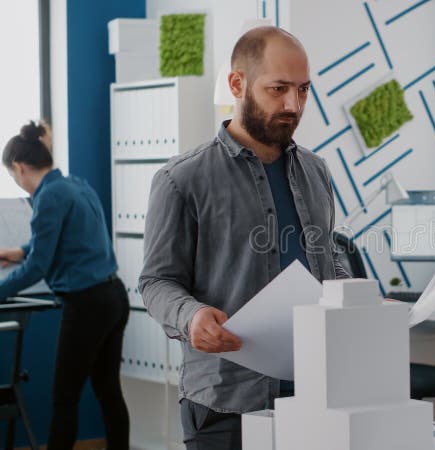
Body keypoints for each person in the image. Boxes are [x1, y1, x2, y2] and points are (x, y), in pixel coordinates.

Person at [139, 26, 349, 450]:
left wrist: (359, 298)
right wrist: (191, 317)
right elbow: (157, 282)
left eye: (304, 90)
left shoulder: (317, 171)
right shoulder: (181, 179)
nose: (293, 105)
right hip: (226, 403)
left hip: (315, 394)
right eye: (278, 89)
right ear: (238, 84)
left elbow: (330, 259)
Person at [0, 121, 130, 449]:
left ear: (19, 167)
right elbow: (69, 240)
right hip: (114, 296)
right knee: (108, 391)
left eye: (13, 176)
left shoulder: (47, 198)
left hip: (87, 304)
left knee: (64, 398)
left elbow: (38, 267)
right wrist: (18, 252)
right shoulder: (76, 185)